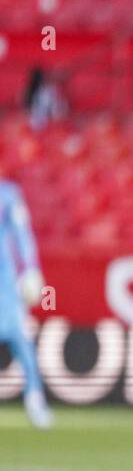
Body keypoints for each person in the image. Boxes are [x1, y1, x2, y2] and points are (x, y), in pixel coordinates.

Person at [0, 178, 52, 428]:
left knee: (21, 339)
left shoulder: (8, 195)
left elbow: (22, 234)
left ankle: (34, 399)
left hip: (5, 282)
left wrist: (30, 269)